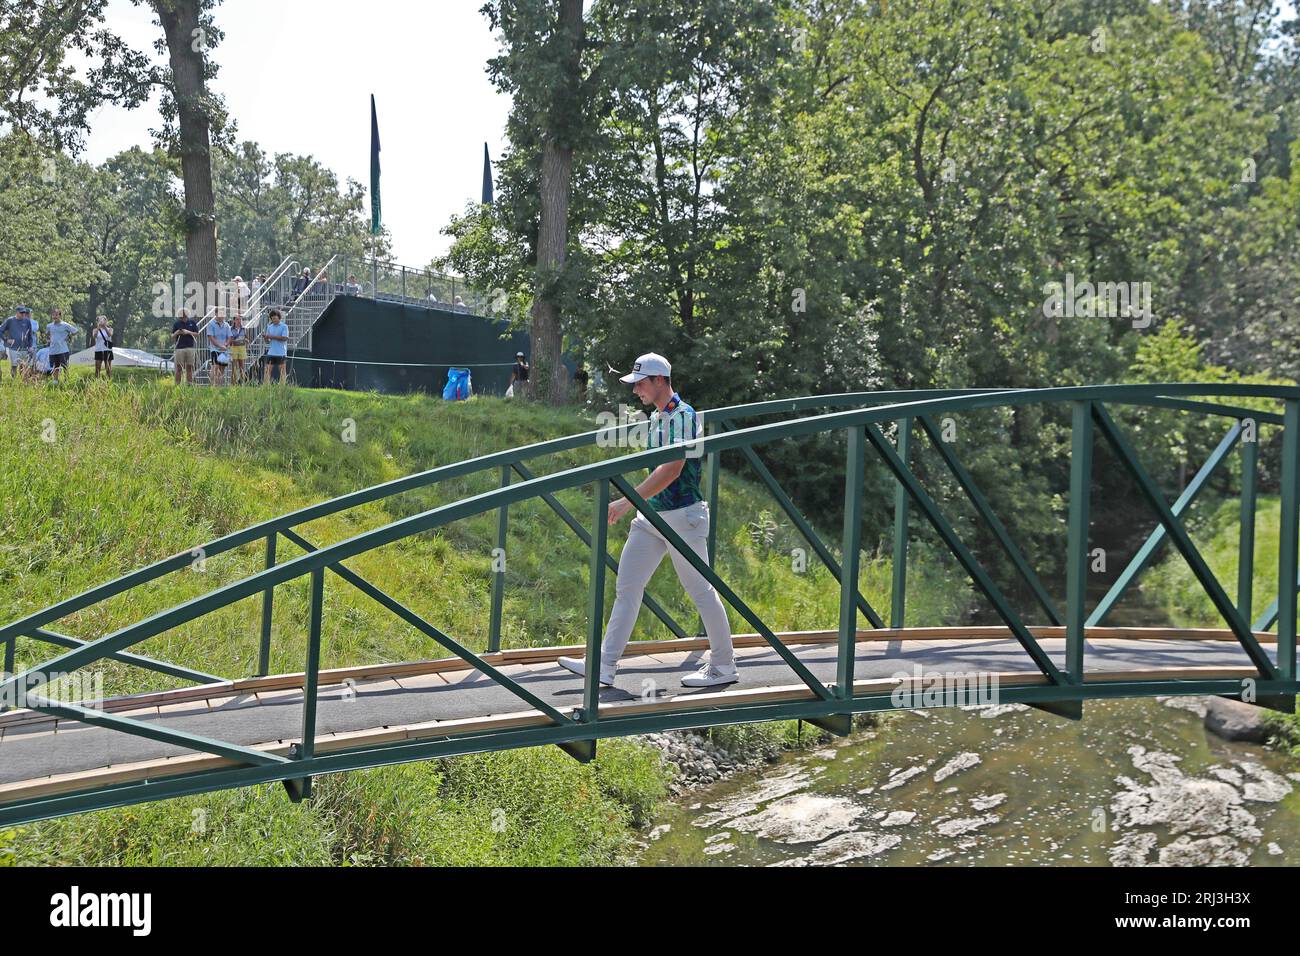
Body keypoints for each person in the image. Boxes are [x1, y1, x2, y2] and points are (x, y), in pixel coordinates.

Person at [557, 352, 737, 688]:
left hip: (683, 518)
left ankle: (724, 666)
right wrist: (639, 506)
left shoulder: (683, 415)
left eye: (640, 383)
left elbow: (672, 469)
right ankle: (604, 666)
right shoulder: (656, 418)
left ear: (658, 381)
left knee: (699, 591)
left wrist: (627, 502)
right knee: (627, 588)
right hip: (651, 517)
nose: (635, 390)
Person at [2, 306, 36, 380]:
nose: (23, 314)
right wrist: (6, 339)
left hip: (25, 348)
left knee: (24, 366)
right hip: (13, 348)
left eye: (24, 312)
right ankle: (13, 381)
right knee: (14, 366)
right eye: (21, 313)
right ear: (17, 312)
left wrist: (30, 346)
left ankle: (24, 382)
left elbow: (30, 335)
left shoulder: (27, 321)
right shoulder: (10, 320)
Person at [45, 308, 76, 384]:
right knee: (55, 366)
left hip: (63, 350)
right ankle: (55, 381)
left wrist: (69, 336)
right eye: (53, 315)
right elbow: (47, 334)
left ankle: (66, 380)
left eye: (56, 314)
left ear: (60, 315)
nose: (54, 316)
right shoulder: (49, 326)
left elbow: (75, 331)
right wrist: (49, 340)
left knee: (65, 366)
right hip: (53, 350)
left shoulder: (65, 325)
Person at [171, 308, 199, 385]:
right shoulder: (176, 324)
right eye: (181, 315)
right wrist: (177, 332)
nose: (183, 317)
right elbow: (172, 336)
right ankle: (177, 384)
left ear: (187, 315)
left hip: (190, 347)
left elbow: (197, 334)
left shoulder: (192, 323)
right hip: (179, 348)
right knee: (179, 367)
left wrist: (188, 332)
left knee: (189, 367)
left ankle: (189, 384)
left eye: (184, 315)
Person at [262, 308, 290, 384]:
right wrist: (266, 338)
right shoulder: (269, 327)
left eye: (274, 318)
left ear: (279, 317)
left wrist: (271, 336)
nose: (273, 319)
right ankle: (265, 387)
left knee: (282, 372)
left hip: (281, 353)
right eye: (272, 318)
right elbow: (268, 342)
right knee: (267, 371)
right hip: (271, 352)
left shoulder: (284, 326)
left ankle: (282, 388)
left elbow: (285, 338)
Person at [206, 307, 232, 385]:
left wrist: (226, 344)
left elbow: (230, 337)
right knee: (215, 367)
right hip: (215, 350)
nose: (222, 315)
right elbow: (211, 337)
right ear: (216, 314)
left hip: (224, 350)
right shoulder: (211, 324)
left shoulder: (227, 325)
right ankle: (213, 385)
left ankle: (219, 386)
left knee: (222, 369)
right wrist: (220, 346)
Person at [228, 313, 248, 385]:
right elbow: (229, 340)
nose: (239, 321)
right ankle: (233, 384)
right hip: (234, 348)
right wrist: (235, 340)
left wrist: (246, 340)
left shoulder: (244, 329)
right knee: (234, 367)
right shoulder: (230, 329)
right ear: (234, 321)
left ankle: (242, 384)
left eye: (240, 319)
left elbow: (247, 338)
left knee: (242, 366)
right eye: (237, 319)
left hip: (242, 348)